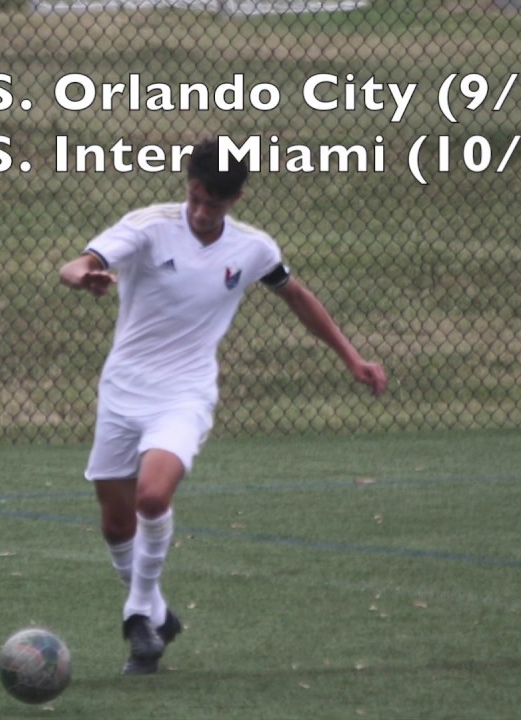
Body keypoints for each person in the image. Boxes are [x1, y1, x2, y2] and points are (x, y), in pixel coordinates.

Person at [58, 137, 388, 676]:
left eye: (213, 204)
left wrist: (352, 357)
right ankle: (157, 616)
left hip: (185, 393)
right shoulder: (149, 226)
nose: (200, 211)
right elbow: (79, 263)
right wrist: (80, 276)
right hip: (123, 391)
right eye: (194, 197)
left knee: (152, 495)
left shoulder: (252, 248)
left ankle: (138, 613)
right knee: (116, 525)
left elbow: (297, 295)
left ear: (236, 199)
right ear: (188, 186)